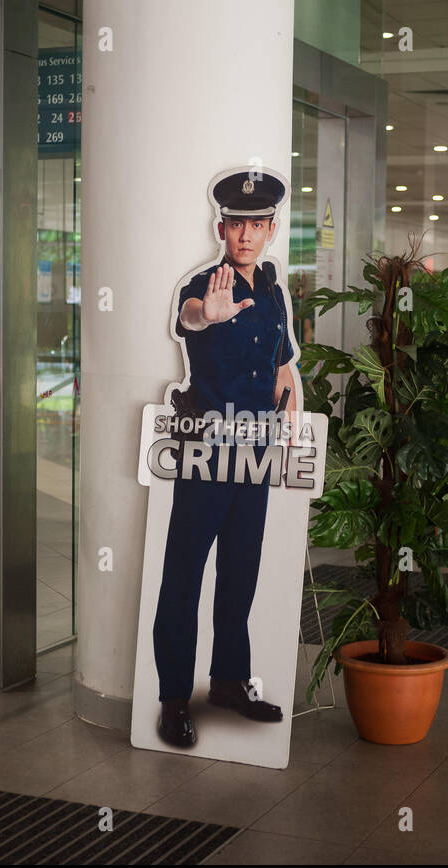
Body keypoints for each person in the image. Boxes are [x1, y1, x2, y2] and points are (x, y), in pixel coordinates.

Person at [152, 171, 297, 748]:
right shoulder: (204, 283)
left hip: (257, 448)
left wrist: (290, 411)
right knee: (184, 574)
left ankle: (231, 682)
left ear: (270, 231)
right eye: (236, 224)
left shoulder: (273, 288)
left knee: (241, 570)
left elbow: (283, 360)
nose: (246, 234)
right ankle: (172, 700)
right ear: (222, 228)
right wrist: (205, 317)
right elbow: (188, 316)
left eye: (256, 225)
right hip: (208, 449)